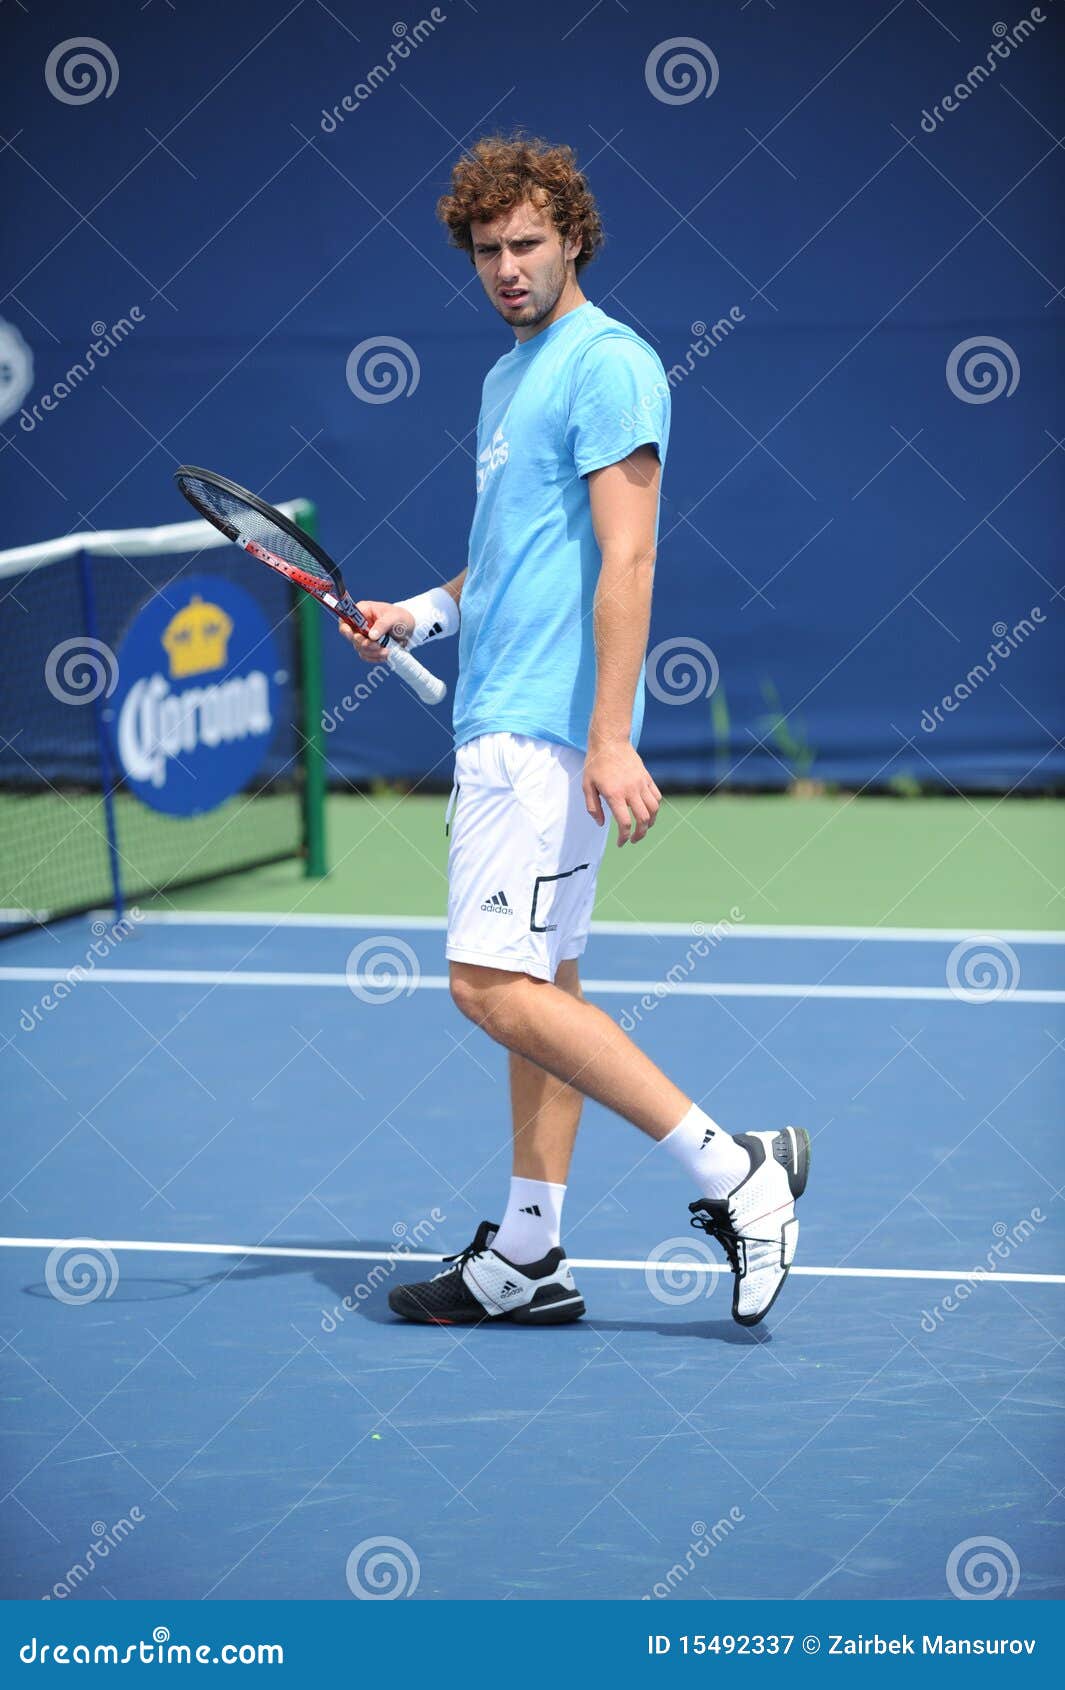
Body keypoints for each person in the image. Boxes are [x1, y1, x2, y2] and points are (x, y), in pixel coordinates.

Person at [341, 133, 809, 1330]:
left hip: (548, 734)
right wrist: (421, 613)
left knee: (486, 985)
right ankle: (529, 1255)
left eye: (527, 244)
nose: (506, 267)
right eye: (487, 250)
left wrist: (609, 735)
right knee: (541, 979)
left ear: (574, 239)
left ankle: (736, 1172)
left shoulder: (609, 364)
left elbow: (629, 553)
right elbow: (507, 557)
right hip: (504, 714)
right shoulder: (510, 377)